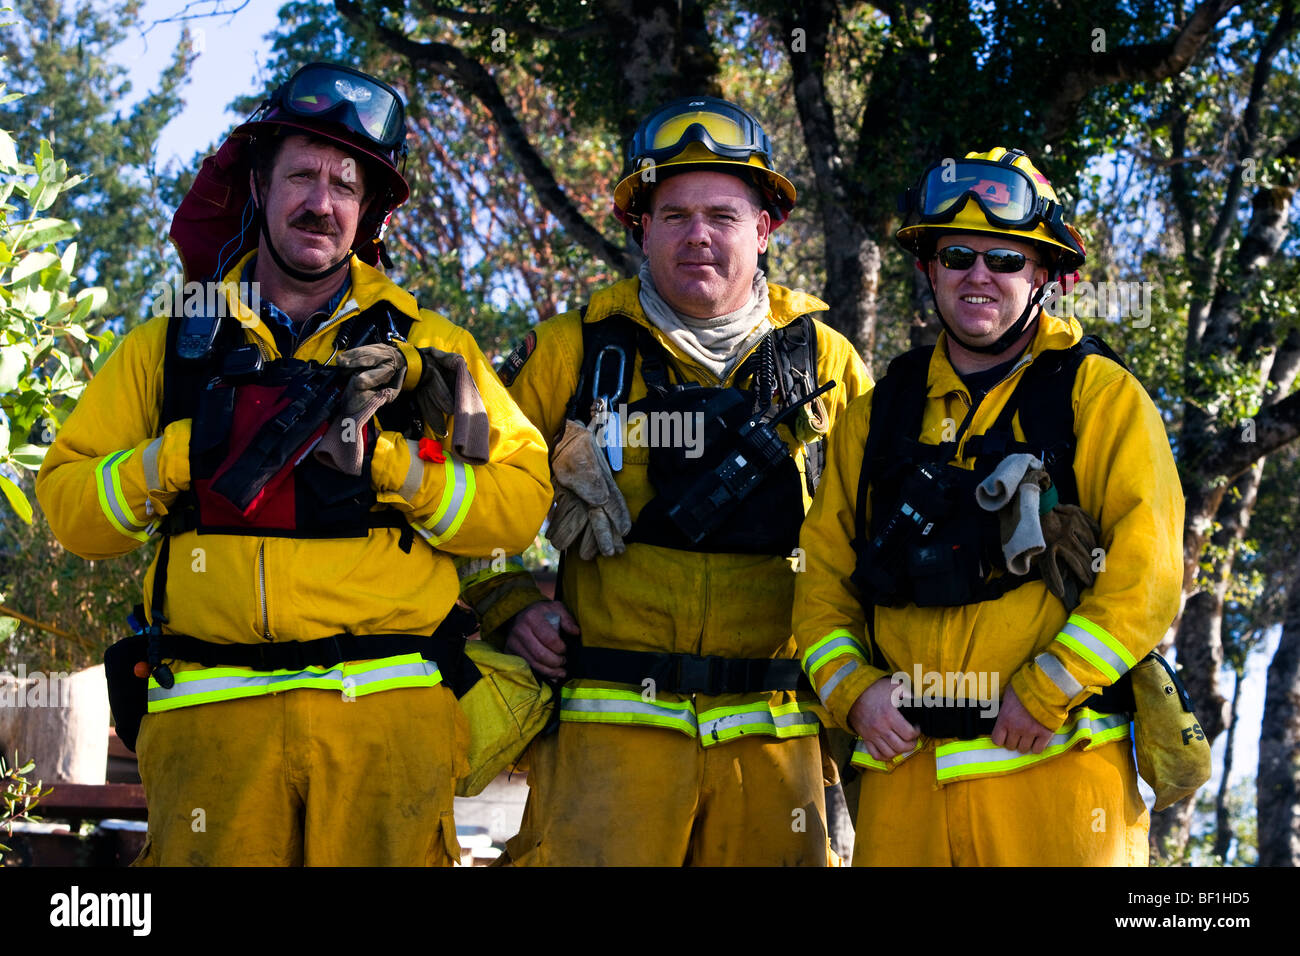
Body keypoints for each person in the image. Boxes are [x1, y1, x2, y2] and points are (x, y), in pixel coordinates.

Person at [35, 62, 551, 866]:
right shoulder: (171, 347)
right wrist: (178, 457)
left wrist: (392, 468)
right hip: (212, 731)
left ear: (369, 210)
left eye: (347, 185)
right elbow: (68, 506)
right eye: (302, 175)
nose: (322, 202)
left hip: (388, 726)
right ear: (259, 186)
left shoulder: (432, 353)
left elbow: (519, 502)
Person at [462, 95, 872, 866]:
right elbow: (456, 511)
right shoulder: (568, 355)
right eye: (674, 214)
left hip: (774, 755)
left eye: (723, 213)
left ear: (766, 228)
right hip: (605, 753)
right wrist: (508, 604)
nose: (699, 235)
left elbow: (877, 548)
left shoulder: (829, 367)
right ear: (640, 227)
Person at [794, 146, 1185, 865]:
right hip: (904, 786)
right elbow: (820, 574)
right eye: (958, 256)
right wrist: (853, 691)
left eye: (1005, 260)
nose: (979, 275)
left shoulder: (1098, 397)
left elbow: (1148, 572)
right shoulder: (878, 417)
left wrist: (1046, 690)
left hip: (1060, 784)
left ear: (1041, 274)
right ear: (928, 269)